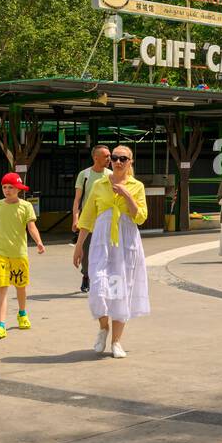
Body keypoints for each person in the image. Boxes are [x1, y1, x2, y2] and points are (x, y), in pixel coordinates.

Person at [73, 145, 149, 359]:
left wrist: (126, 195)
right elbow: (87, 217)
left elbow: (141, 217)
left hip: (126, 244)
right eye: (114, 158)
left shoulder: (137, 186)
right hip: (101, 242)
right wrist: (79, 246)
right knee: (98, 288)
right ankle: (103, 327)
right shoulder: (99, 184)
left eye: (123, 158)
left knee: (120, 292)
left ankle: (116, 341)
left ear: (130, 162)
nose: (117, 161)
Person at [0, 171, 45, 340]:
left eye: (10, 187)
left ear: (18, 189)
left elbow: (31, 227)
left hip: (19, 253)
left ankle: (22, 313)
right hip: (0, 252)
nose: (7, 190)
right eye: (4, 187)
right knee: (1, 287)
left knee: (20, 287)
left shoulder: (26, 206)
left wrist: (39, 242)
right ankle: (1, 325)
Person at [72, 144, 111, 293]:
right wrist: (76, 218)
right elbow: (77, 199)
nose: (109, 159)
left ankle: (103, 279)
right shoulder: (85, 174)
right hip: (88, 219)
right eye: (106, 156)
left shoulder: (110, 175)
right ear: (96, 157)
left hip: (105, 219)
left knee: (106, 250)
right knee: (86, 250)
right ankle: (86, 275)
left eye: (109, 156)